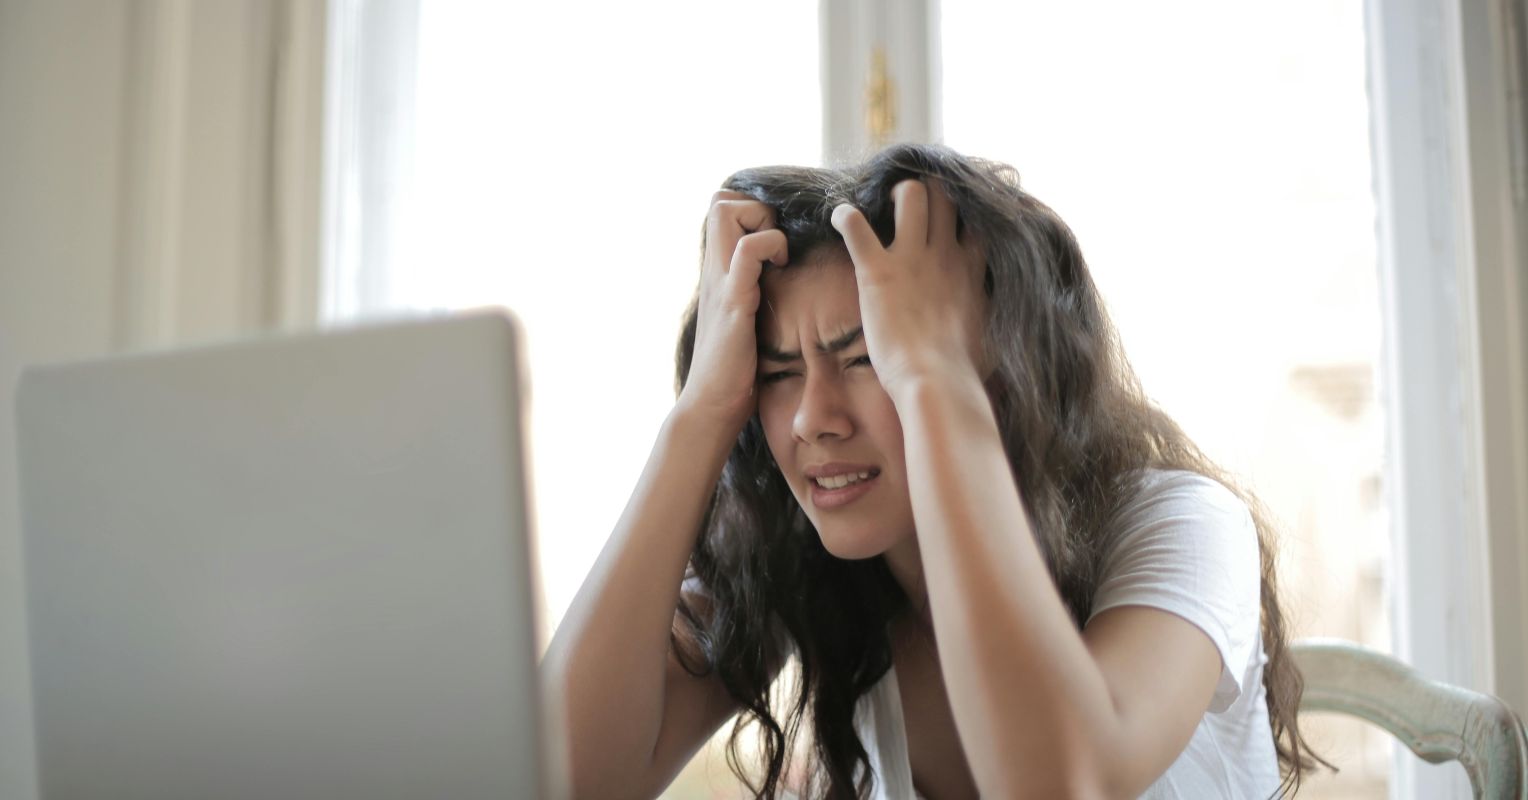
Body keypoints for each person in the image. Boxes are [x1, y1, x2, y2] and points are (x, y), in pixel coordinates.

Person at [542, 143, 1326, 800]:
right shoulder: (809, 562)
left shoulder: (1185, 524)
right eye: (778, 372)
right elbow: (559, 781)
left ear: (1003, 367)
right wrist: (702, 412)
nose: (813, 418)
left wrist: (933, 380)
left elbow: (1064, 784)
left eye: (867, 357)